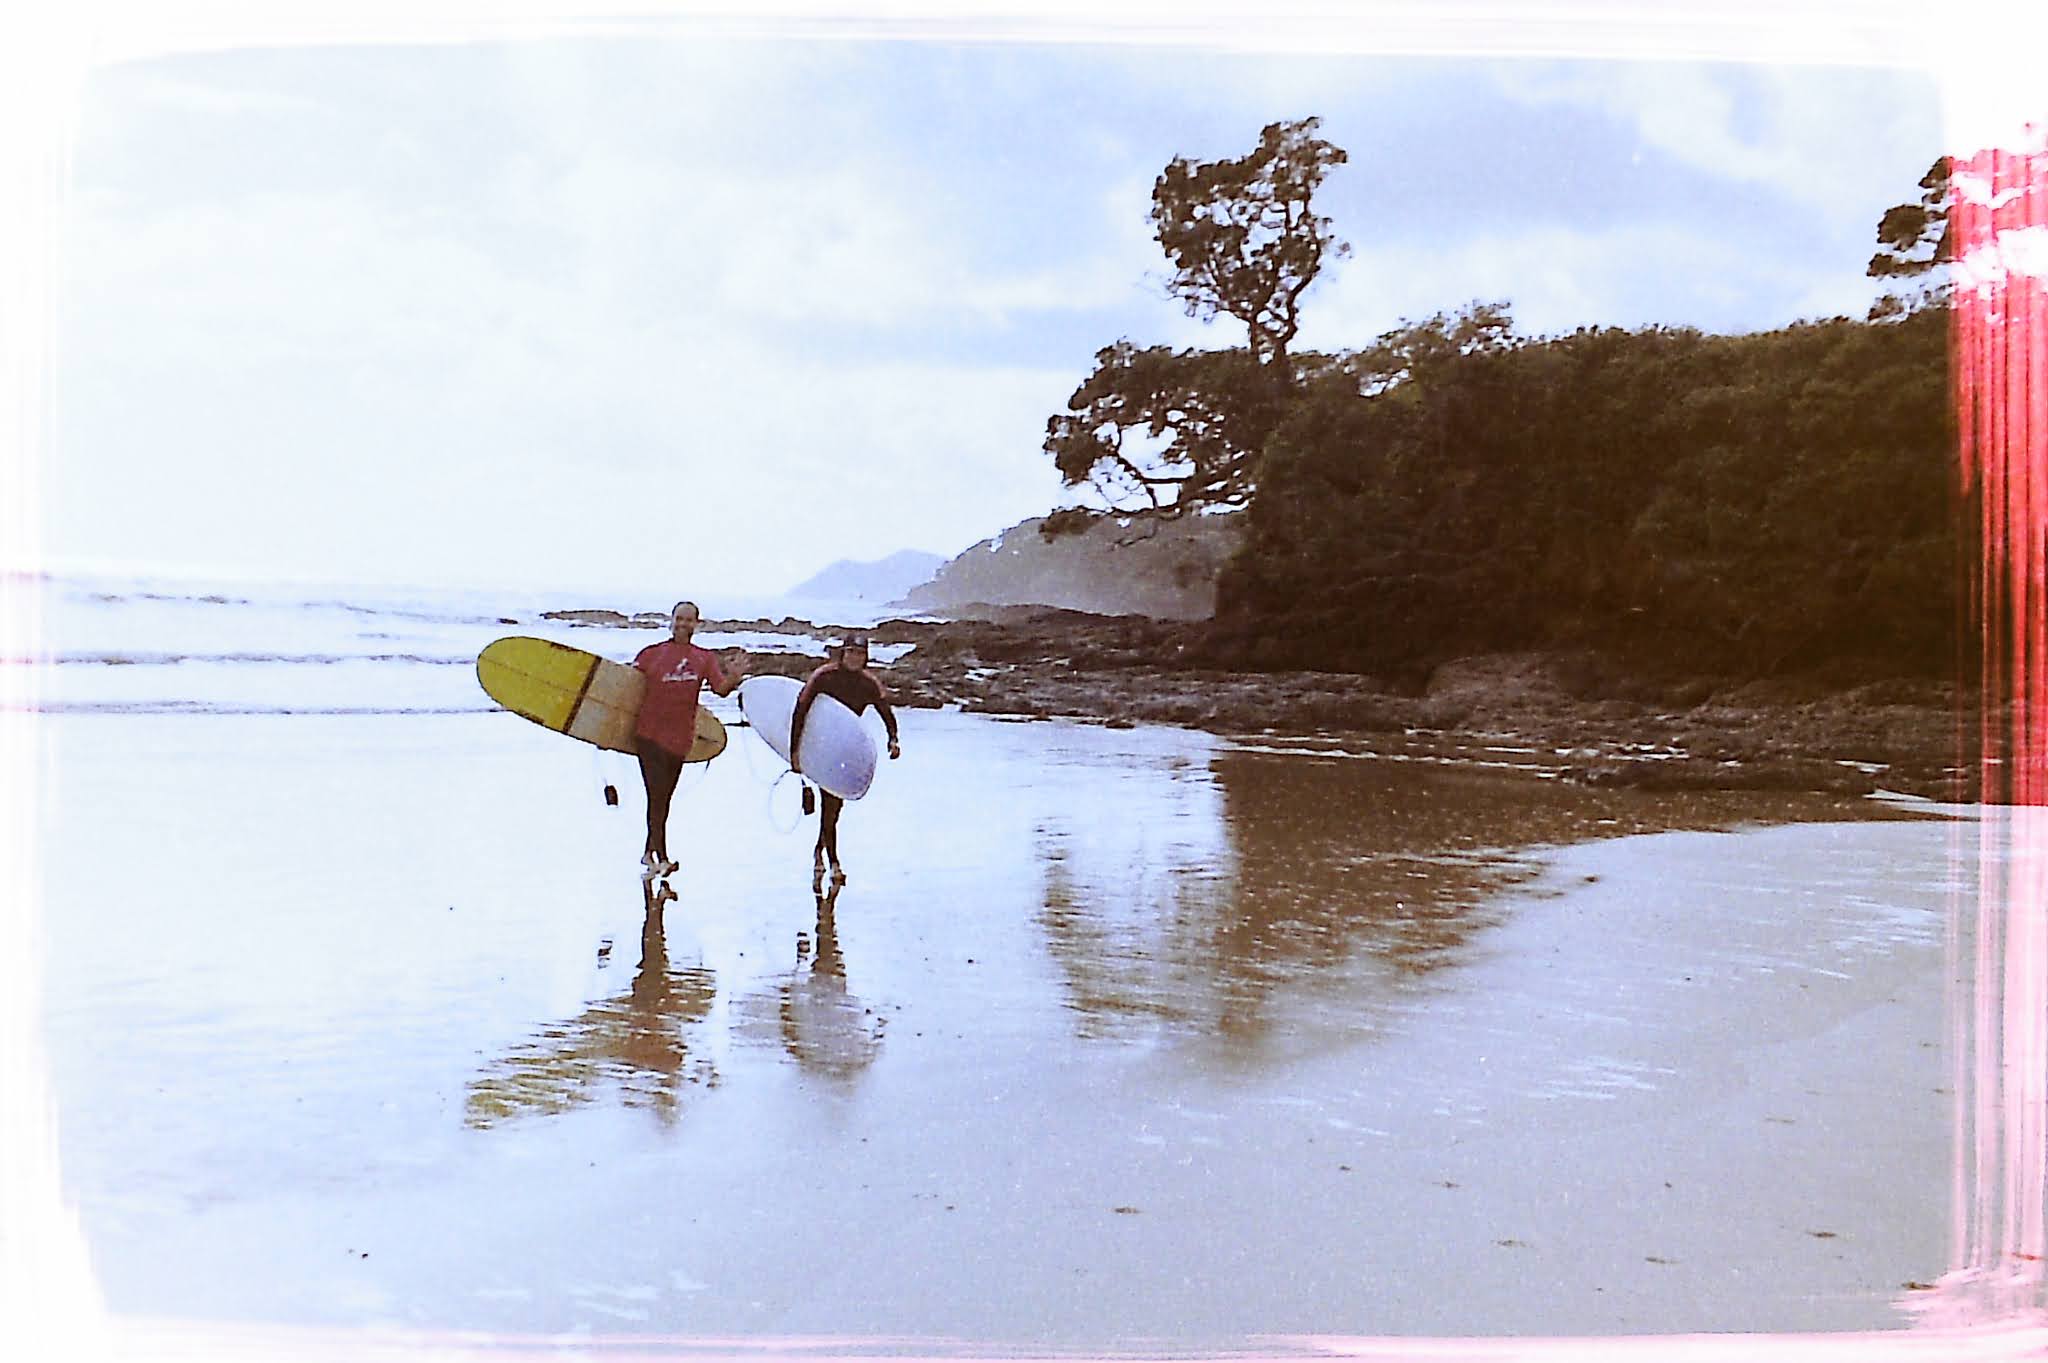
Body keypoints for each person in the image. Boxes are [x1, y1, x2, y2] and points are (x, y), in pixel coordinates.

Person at [633, 601, 748, 877]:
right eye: (679, 619)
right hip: (648, 735)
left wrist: (734, 677)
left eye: (689, 620)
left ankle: (650, 853)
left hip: (680, 738)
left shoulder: (703, 658)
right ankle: (660, 855)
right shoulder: (650, 655)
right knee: (656, 796)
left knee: (664, 798)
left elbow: (720, 690)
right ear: (670, 620)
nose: (683, 624)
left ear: (697, 624)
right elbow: (624, 692)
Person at [789, 633, 900, 885]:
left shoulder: (869, 683)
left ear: (865, 657)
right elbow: (800, 710)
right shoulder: (824, 676)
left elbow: (886, 713)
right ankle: (834, 863)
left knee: (833, 809)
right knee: (830, 806)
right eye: (850, 652)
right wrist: (795, 751)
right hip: (820, 746)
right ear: (843, 653)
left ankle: (819, 851)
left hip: (845, 750)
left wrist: (893, 739)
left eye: (859, 654)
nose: (854, 658)